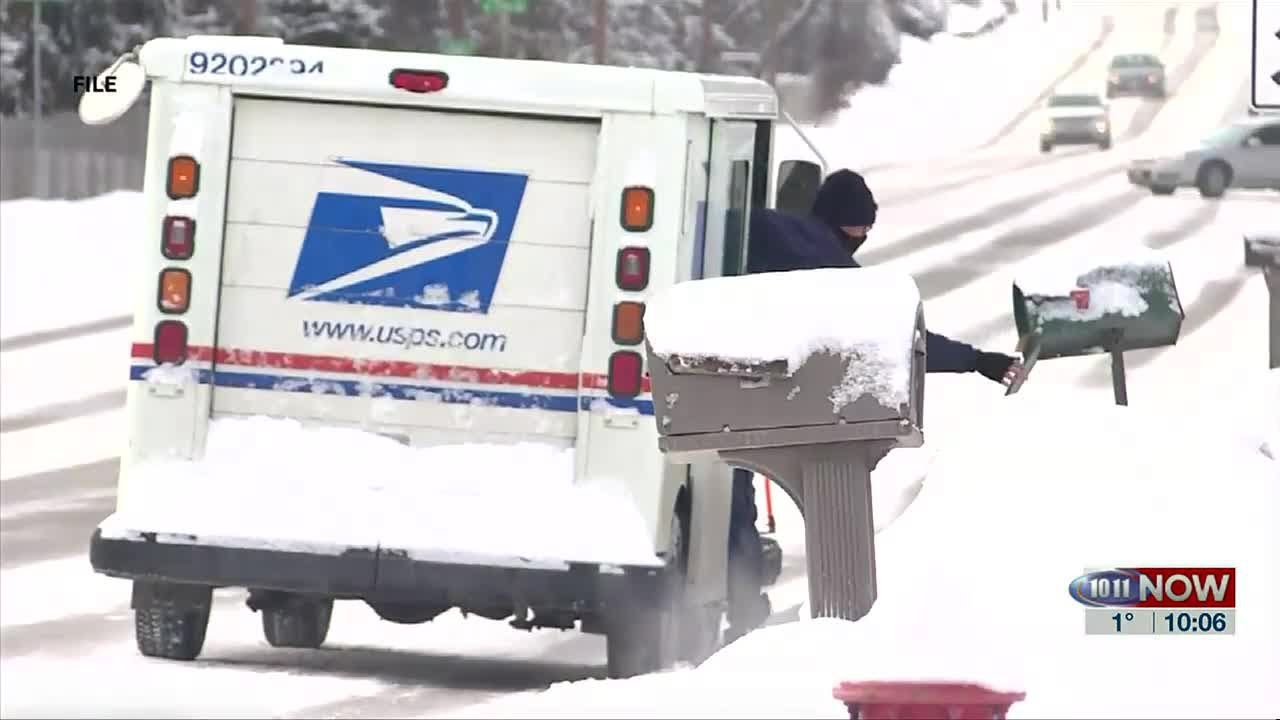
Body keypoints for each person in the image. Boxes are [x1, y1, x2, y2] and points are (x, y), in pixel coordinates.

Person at [723, 168, 1023, 643]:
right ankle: (742, 616)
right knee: (731, 490)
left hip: (696, 366)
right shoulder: (827, 265)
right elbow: (902, 339)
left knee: (725, 483)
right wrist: (978, 360)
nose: (862, 239)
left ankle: (735, 600)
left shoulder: (765, 226)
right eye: (862, 230)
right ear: (850, 227)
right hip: (732, 392)